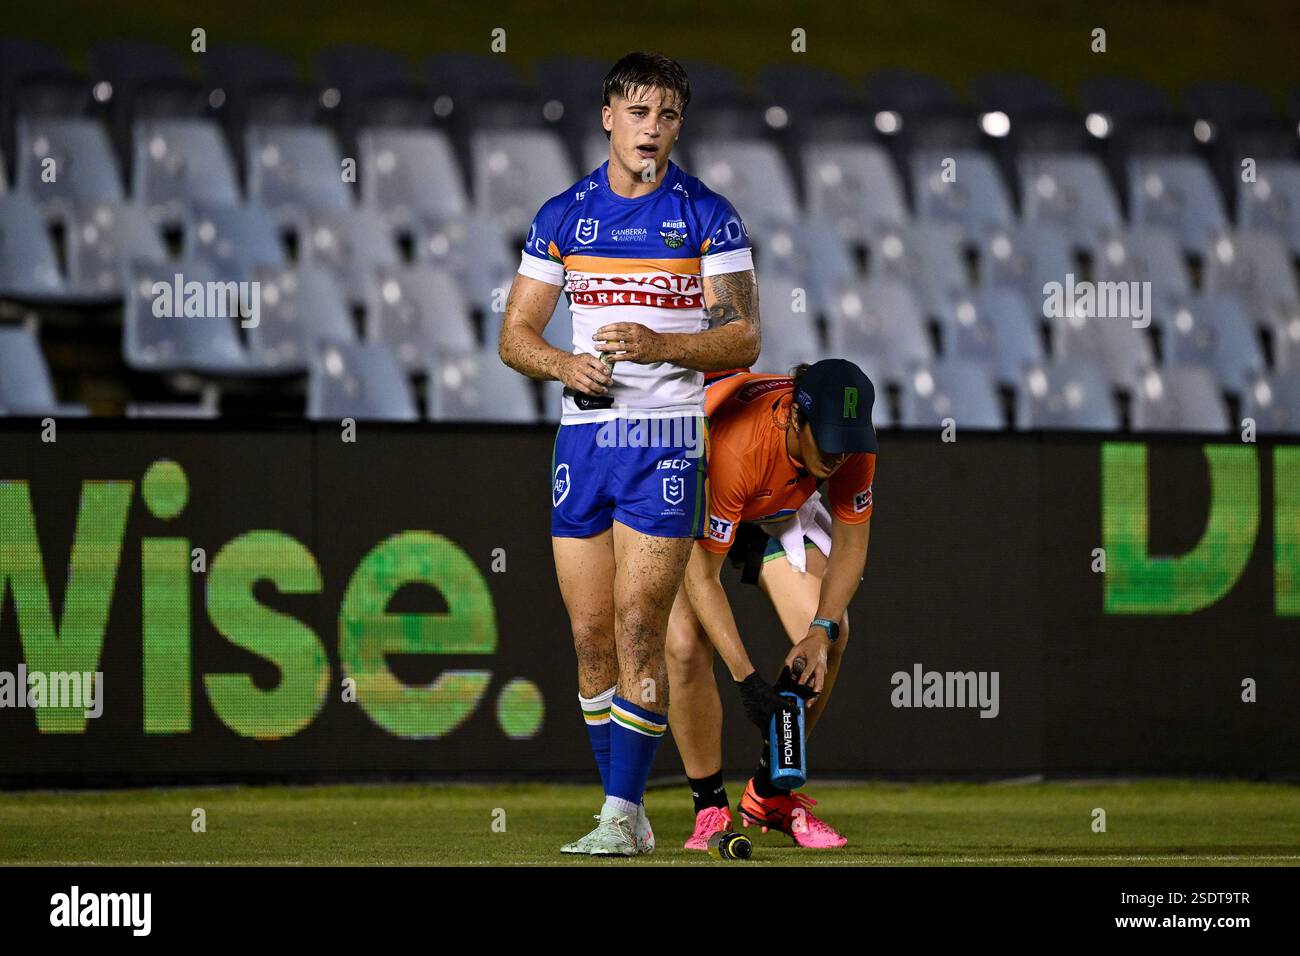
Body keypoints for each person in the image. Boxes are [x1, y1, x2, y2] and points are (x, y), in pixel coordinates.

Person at [498, 52, 760, 856]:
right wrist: (562, 363)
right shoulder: (562, 216)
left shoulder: (708, 215)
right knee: (589, 637)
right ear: (608, 115)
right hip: (584, 444)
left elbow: (745, 337)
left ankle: (619, 813)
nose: (654, 128)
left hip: (665, 445)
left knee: (641, 623)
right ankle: (630, 814)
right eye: (640, 112)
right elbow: (515, 337)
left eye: (669, 114)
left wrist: (660, 343)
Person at [665, 359, 877, 850]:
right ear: (793, 420)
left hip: (772, 513)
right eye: (827, 439)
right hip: (698, 505)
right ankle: (710, 807)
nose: (840, 455)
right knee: (683, 646)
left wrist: (819, 631)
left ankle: (769, 792)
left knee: (834, 632)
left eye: (848, 442)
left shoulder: (851, 448)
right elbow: (702, 577)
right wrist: (749, 683)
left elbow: (852, 546)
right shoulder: (739, 449)